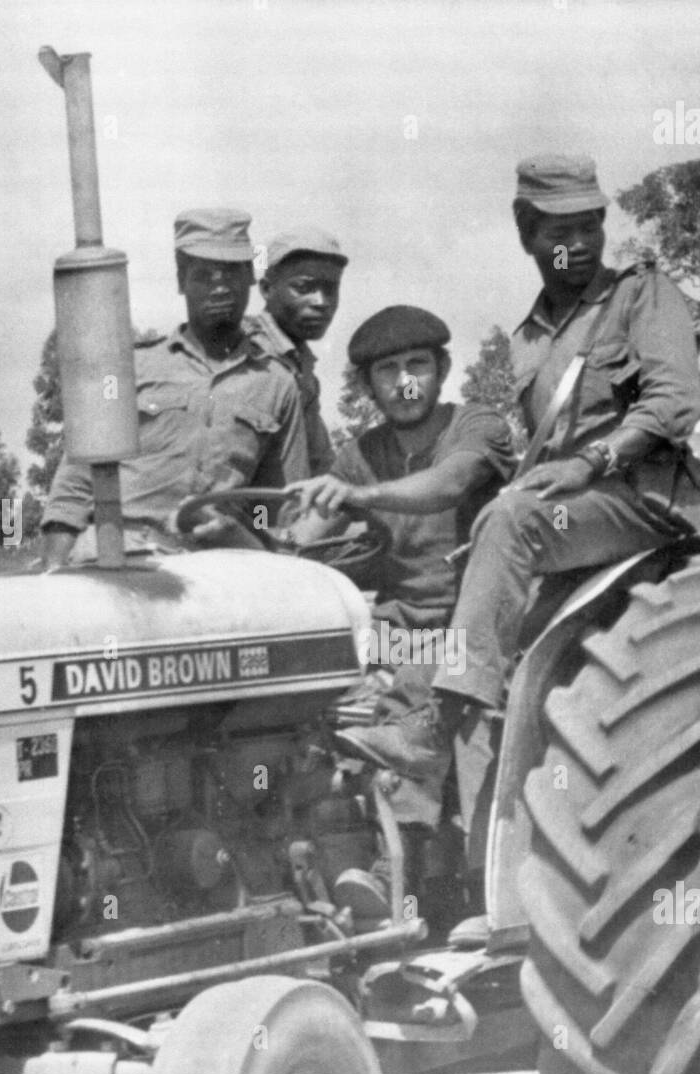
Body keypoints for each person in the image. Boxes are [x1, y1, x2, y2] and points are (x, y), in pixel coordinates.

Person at [342, 153, 700, 792]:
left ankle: (432, 728)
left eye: (589, 227)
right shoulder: (528, 341)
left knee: (510, 521)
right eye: (558, 233)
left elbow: (674, 404)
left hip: (638, 499)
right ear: (526, 235)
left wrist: (590, 461)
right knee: (455, 604)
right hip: (571, 514)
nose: (578, 245)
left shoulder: (642, 294)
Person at [288, 305, 515, 757]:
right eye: (387, 370)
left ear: (443, 369)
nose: (404, 381)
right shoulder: (361, 454)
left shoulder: (478, 425)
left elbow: (449, 484)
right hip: (392, 631)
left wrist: (361, 495)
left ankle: (409, 813)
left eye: (418, 364)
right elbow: (299, 544)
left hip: (467, 629)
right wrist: (230, 532)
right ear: (368, 385)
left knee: (417, 688)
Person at [41, 208, 309, 565]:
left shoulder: (277, 384)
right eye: (204, 274)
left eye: (231, 272)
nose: (219, 286)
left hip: (213, 566)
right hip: (117, 555)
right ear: (182, 279)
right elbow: (74, 487)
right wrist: (53, 575)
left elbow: (279, 508)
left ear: (249, 276)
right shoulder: (131, 369)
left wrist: (247, 538)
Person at [247, 227, 347, 475]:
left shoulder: (301, 365)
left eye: (330, 289)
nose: (321, 302)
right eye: (304, 288)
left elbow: (319, 460)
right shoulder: (244, 353)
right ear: (267, 289)